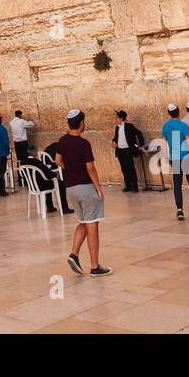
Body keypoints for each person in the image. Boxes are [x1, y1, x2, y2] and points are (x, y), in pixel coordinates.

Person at [55, 110, 111, 277]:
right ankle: (95, 267)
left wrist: (70, 169)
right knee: (93, 225)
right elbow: (90, 168)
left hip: (71, 189)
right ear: (80, 123)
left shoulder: (62, 140)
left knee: (84, 222)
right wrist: (99, 188)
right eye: (84, 122)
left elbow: (58, 160)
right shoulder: (83, 143)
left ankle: (74, 254)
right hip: (86, 187)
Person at [20, 150, 72, 215]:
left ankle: (50, 207)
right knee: (61, 184)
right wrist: (55, 174)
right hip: (42, 186)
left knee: (47, 181)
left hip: (31, 186)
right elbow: (48, 173)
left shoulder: (22, 162)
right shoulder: (37, 162)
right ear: (33, 153)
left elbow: (22, 175)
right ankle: (64, 208)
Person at [111, 110, 144, 192]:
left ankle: (135, 186)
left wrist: (140, 145)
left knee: (131, 168)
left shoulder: (129, 126)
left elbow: (139, 133)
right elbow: (116, 137)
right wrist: (114, 141)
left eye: (117, 118)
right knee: (124, 169)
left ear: (121, 118)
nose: (116, 120)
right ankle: (128, 185)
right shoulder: (117, 127)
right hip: (120, 151)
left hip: (128, 151)